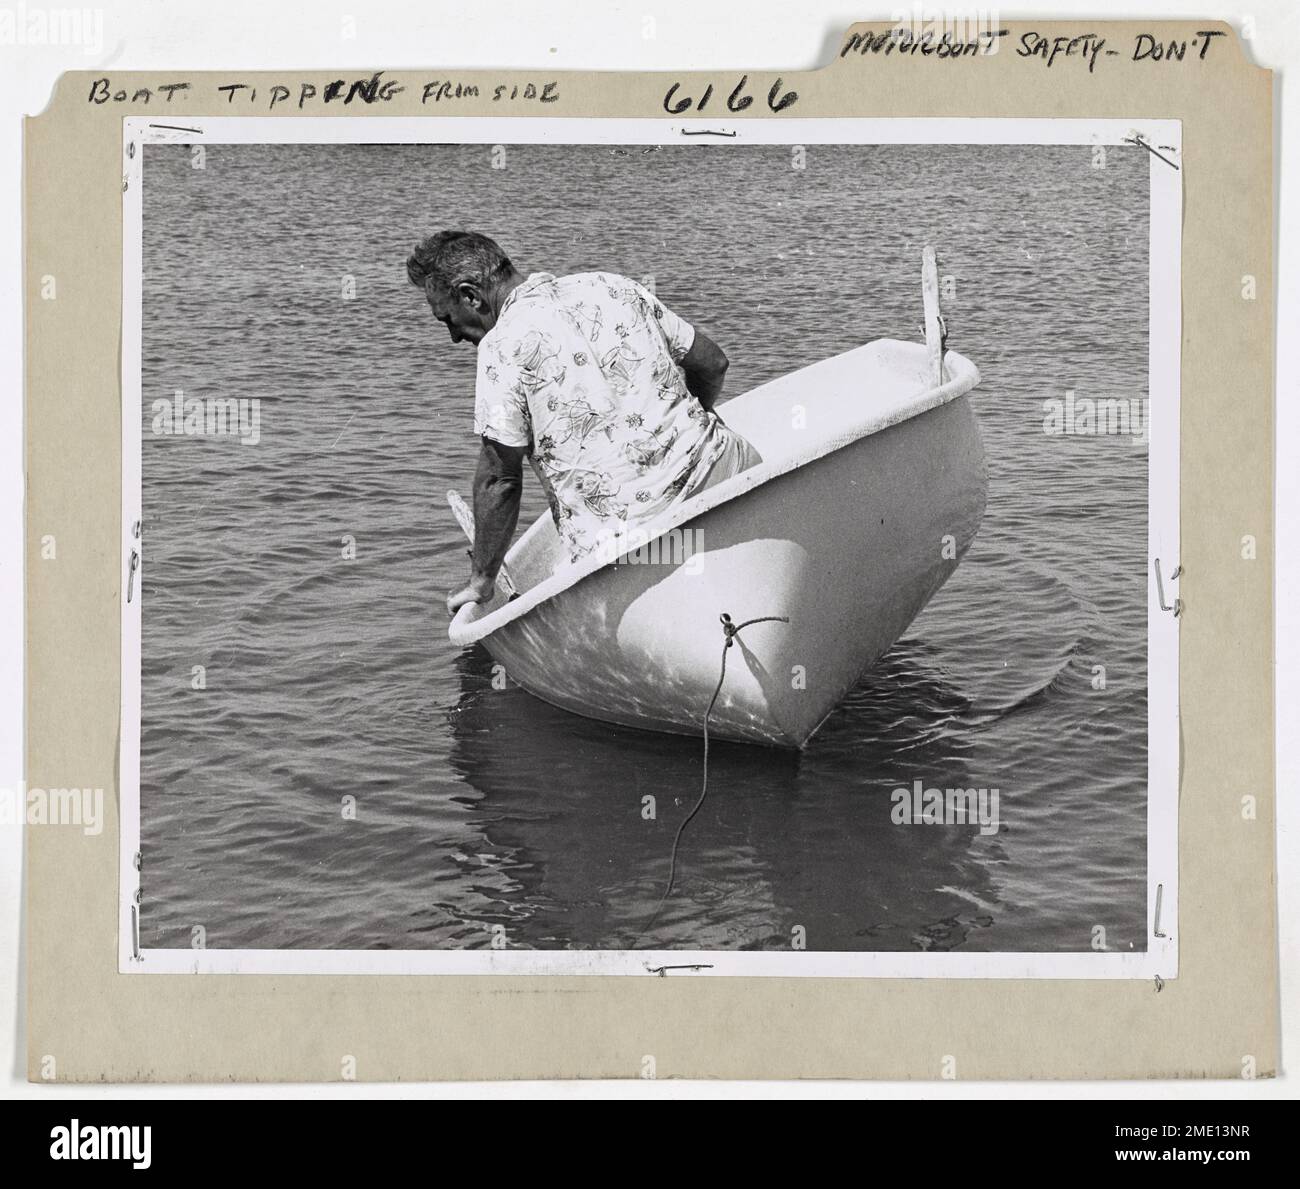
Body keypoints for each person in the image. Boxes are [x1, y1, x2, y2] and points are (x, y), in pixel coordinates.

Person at [407, 231, 762, 615]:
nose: (454, 336)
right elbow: (713, 363)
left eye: (447, 318)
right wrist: (696, 418)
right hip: (730, 476)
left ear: (471, 296)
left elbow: (500, 480)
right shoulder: (610, 285)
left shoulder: (501, 345)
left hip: (631, 546)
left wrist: (481, 581)